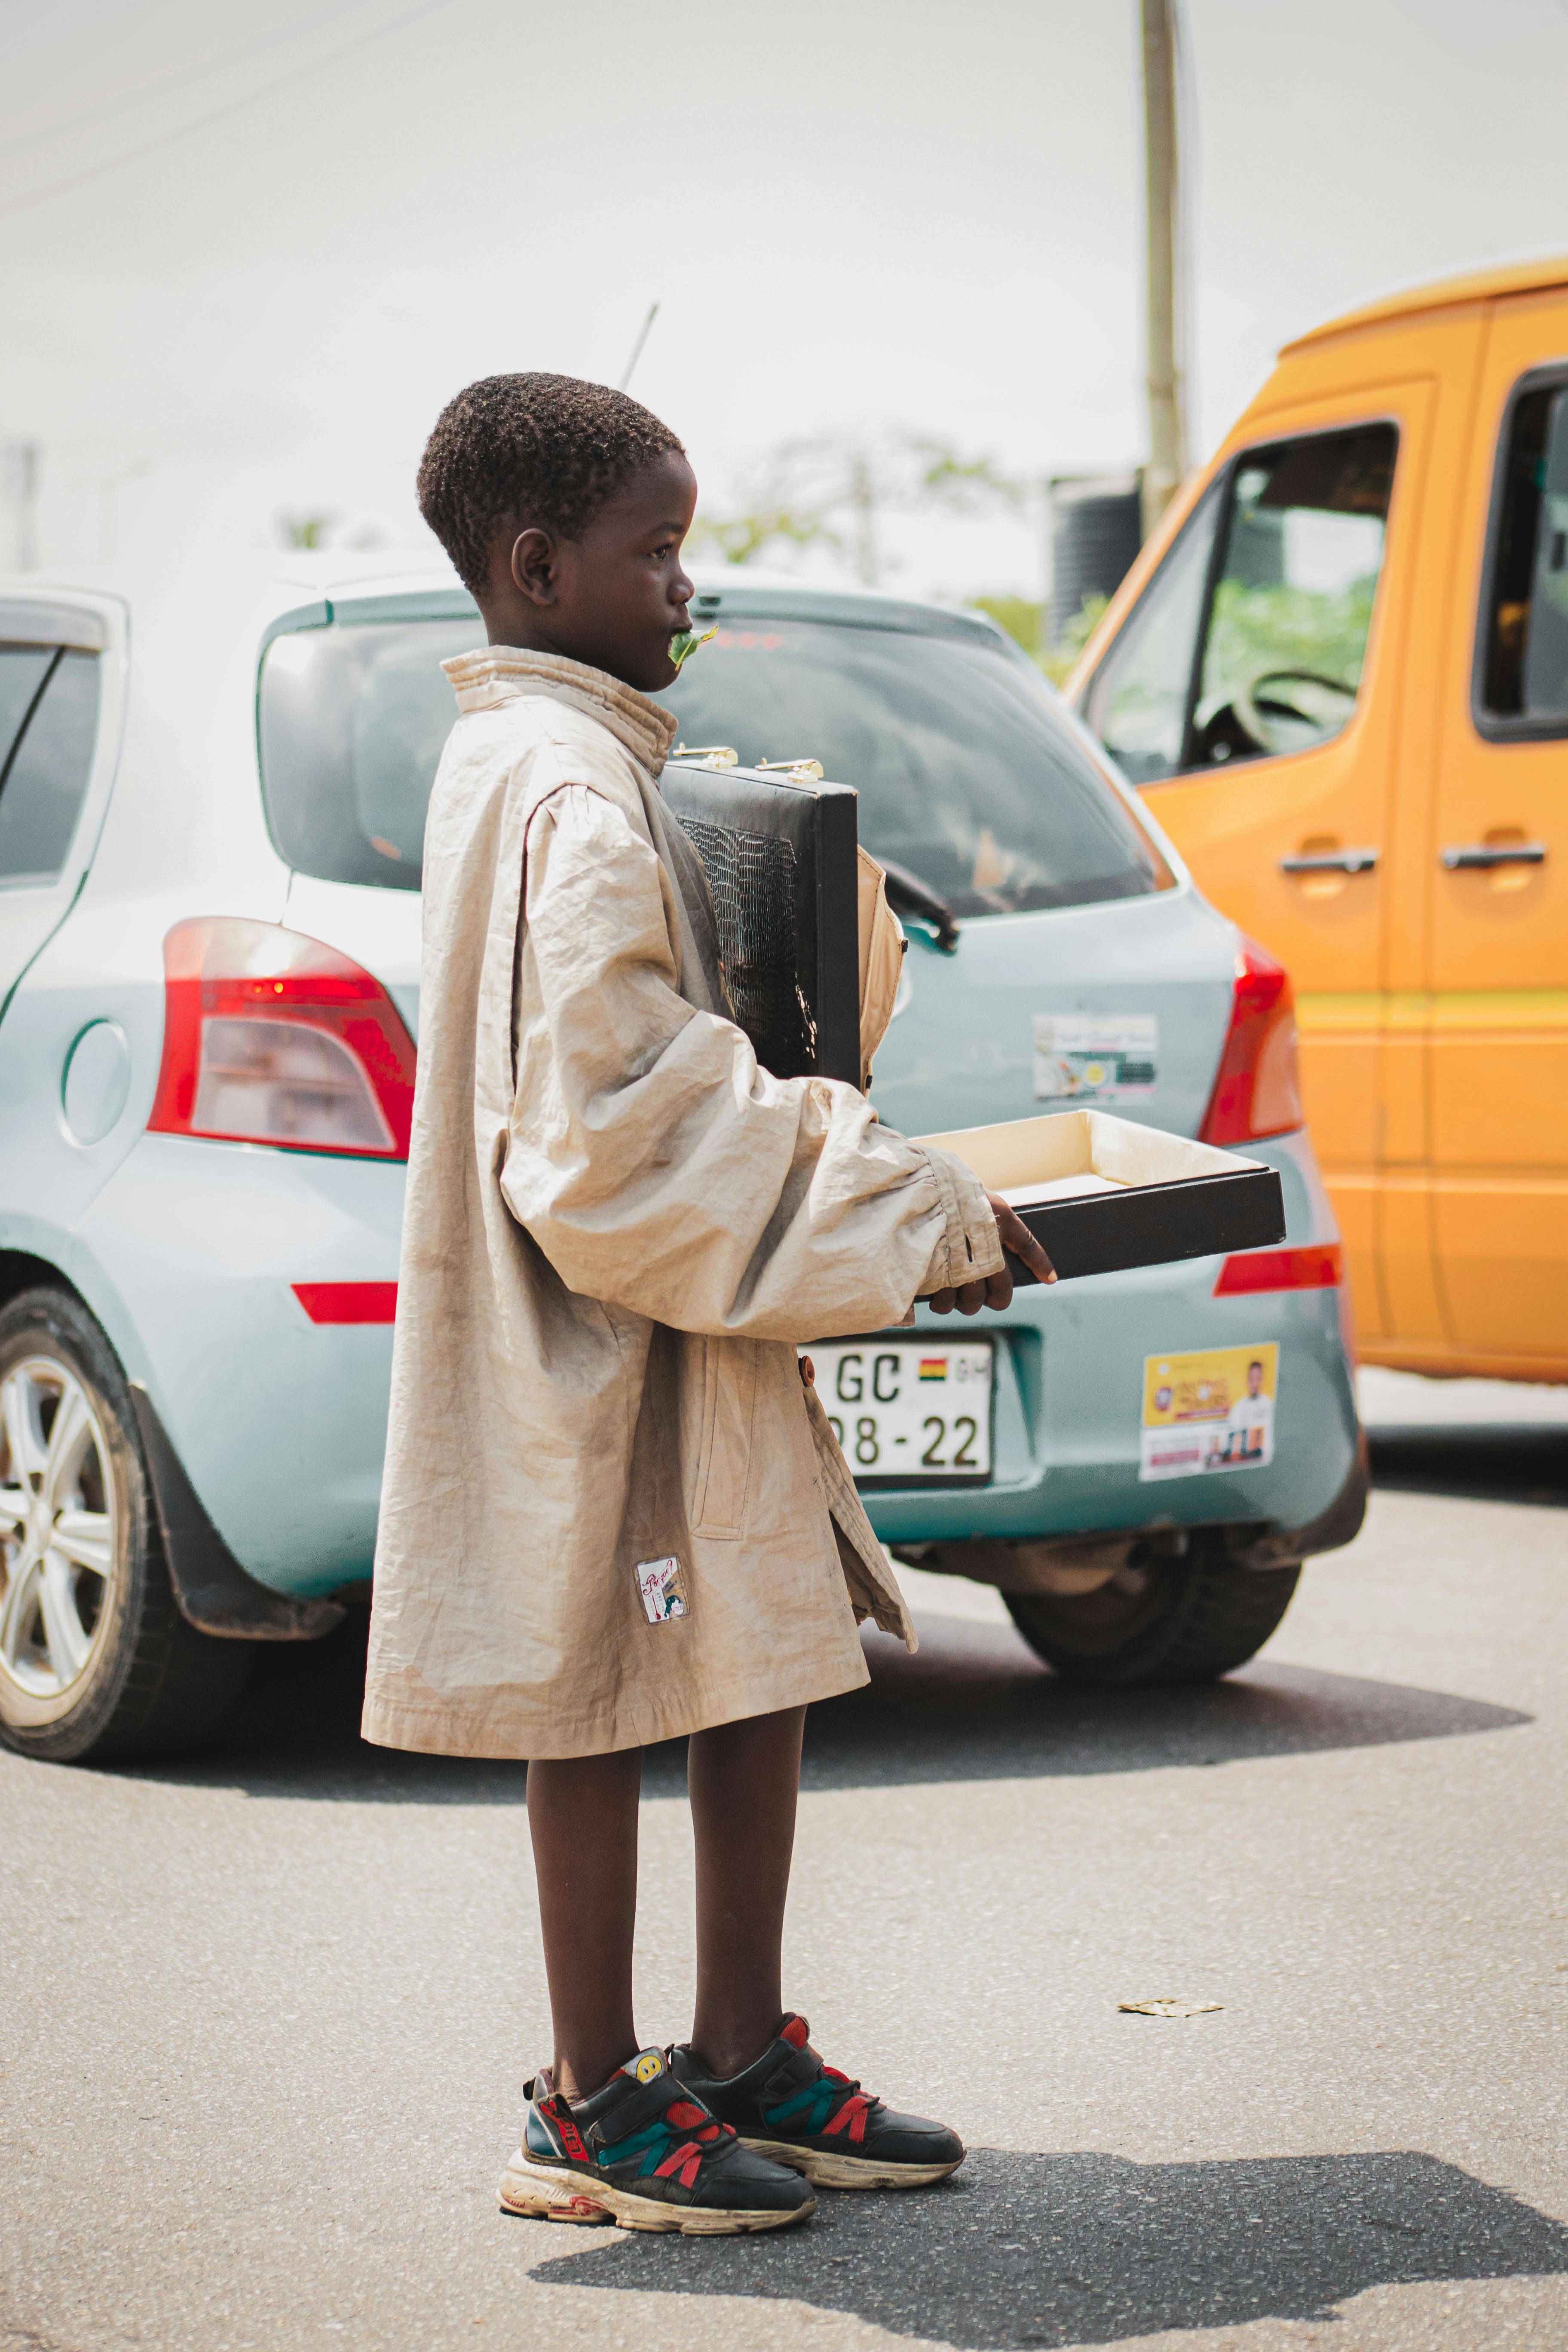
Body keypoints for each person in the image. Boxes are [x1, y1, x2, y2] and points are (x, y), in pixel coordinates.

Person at [361, 373, 1054, 2236]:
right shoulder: (567, 780)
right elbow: (617, 1119)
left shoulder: (581, 756)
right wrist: (917, 1206)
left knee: (762, 1637)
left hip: (693, 1309)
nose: (691, 584)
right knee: (591, 1680)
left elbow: (677, 1028)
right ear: (538, 563)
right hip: (604, 1317)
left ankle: (739, 2051)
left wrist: (821, 910)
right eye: (658, 549)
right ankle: (591, 2104)